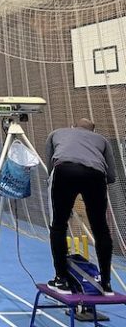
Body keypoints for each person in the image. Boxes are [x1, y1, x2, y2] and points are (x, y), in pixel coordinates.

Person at [44, 118, 116, 295]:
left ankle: (61, 279)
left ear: (72, 126)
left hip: (64, 170)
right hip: (95, 174)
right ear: (93, 131)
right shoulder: (102, 140)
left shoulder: (56, 133)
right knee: (101, 229)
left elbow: (50, 165)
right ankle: (105, 284)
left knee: (58, 225)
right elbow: (112, 176)